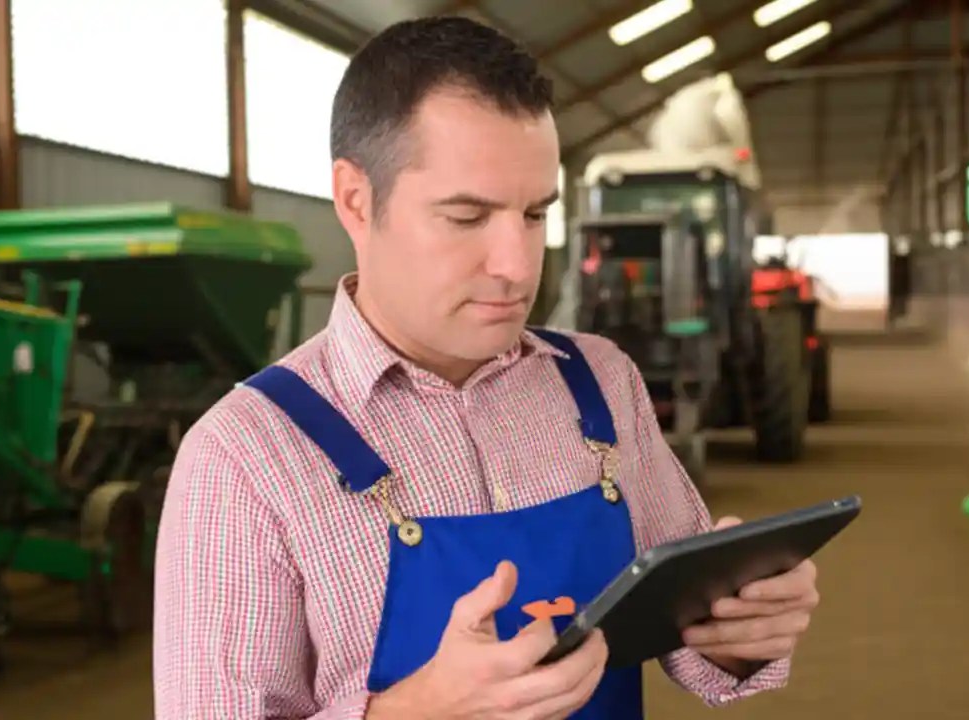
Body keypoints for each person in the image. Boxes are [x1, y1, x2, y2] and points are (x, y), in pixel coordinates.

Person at [153, 15, 820, 720]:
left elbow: (687, 631)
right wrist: (413, 712)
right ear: (355, 199)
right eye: (467, 217)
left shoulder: (601, 384)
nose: (516, 265)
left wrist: (742, 632)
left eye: (534, 215)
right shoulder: (245, 458)